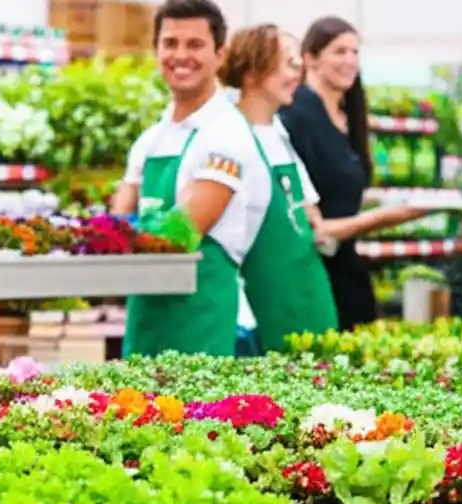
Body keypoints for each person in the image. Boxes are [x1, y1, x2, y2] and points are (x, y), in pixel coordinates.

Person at [111, 0, 263, 358]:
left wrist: (112, 236)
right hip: (147, 316)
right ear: (156, 50)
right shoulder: (150, 139)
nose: (181, 55)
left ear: (220, 54)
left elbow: (183, 232)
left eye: (195, 45)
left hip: (202, 315)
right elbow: (117, 218)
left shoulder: (226, 132)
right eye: (170, 43)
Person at [280, 16, 429, 331]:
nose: (349, 61)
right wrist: (386, 217)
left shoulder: (348, 118)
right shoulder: (297, 115)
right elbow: (309, 226)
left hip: (347, 271)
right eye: (339, 51)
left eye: (355, 52)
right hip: (311, 274)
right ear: (310, 58)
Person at [221, 24, 339, 353]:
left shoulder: (279, 133)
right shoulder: (227, 138)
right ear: (253, 69)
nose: (297, 75)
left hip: (306, 293)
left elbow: (310, 216)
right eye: (288, 64)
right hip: (263, 301)